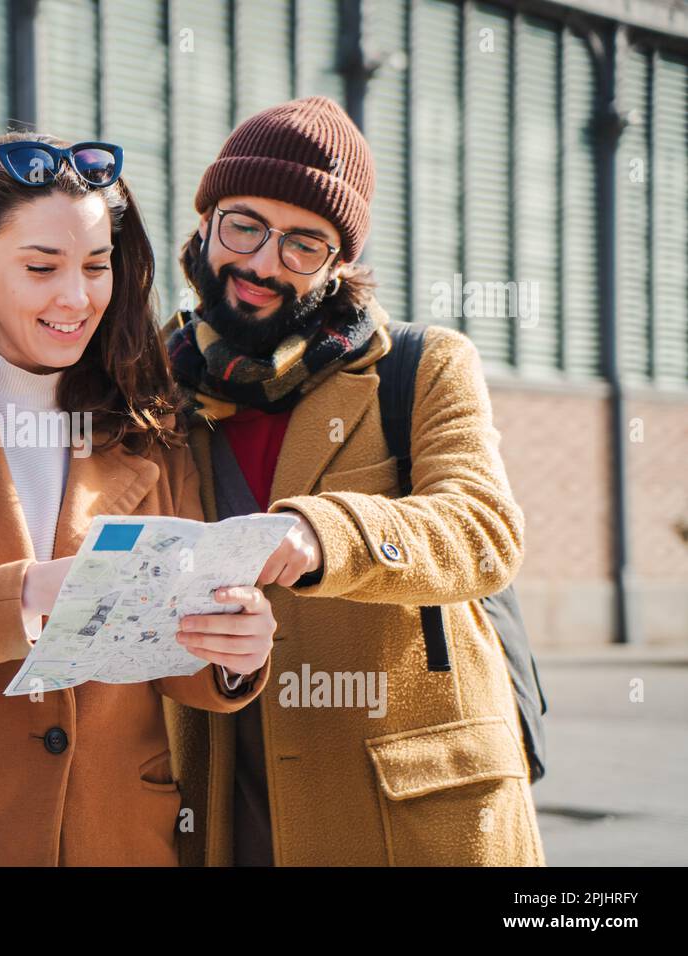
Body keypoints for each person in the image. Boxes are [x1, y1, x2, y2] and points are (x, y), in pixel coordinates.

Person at [0, 132, 277, 866]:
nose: (76, 298)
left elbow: (175, 654)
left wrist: (235, 650)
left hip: (123, 837)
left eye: (97, 266)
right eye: (41, 267)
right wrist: (26, 595)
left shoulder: (149, 414)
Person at [164, 96, 545, 866]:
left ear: (339, 265)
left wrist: (322, 533)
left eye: (305, 243)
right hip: (225, 814)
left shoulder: (422, 364)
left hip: (412, 820)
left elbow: (482, 527)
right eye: (244, 225)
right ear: (204, 224)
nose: (264, 263)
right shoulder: (154, 388)